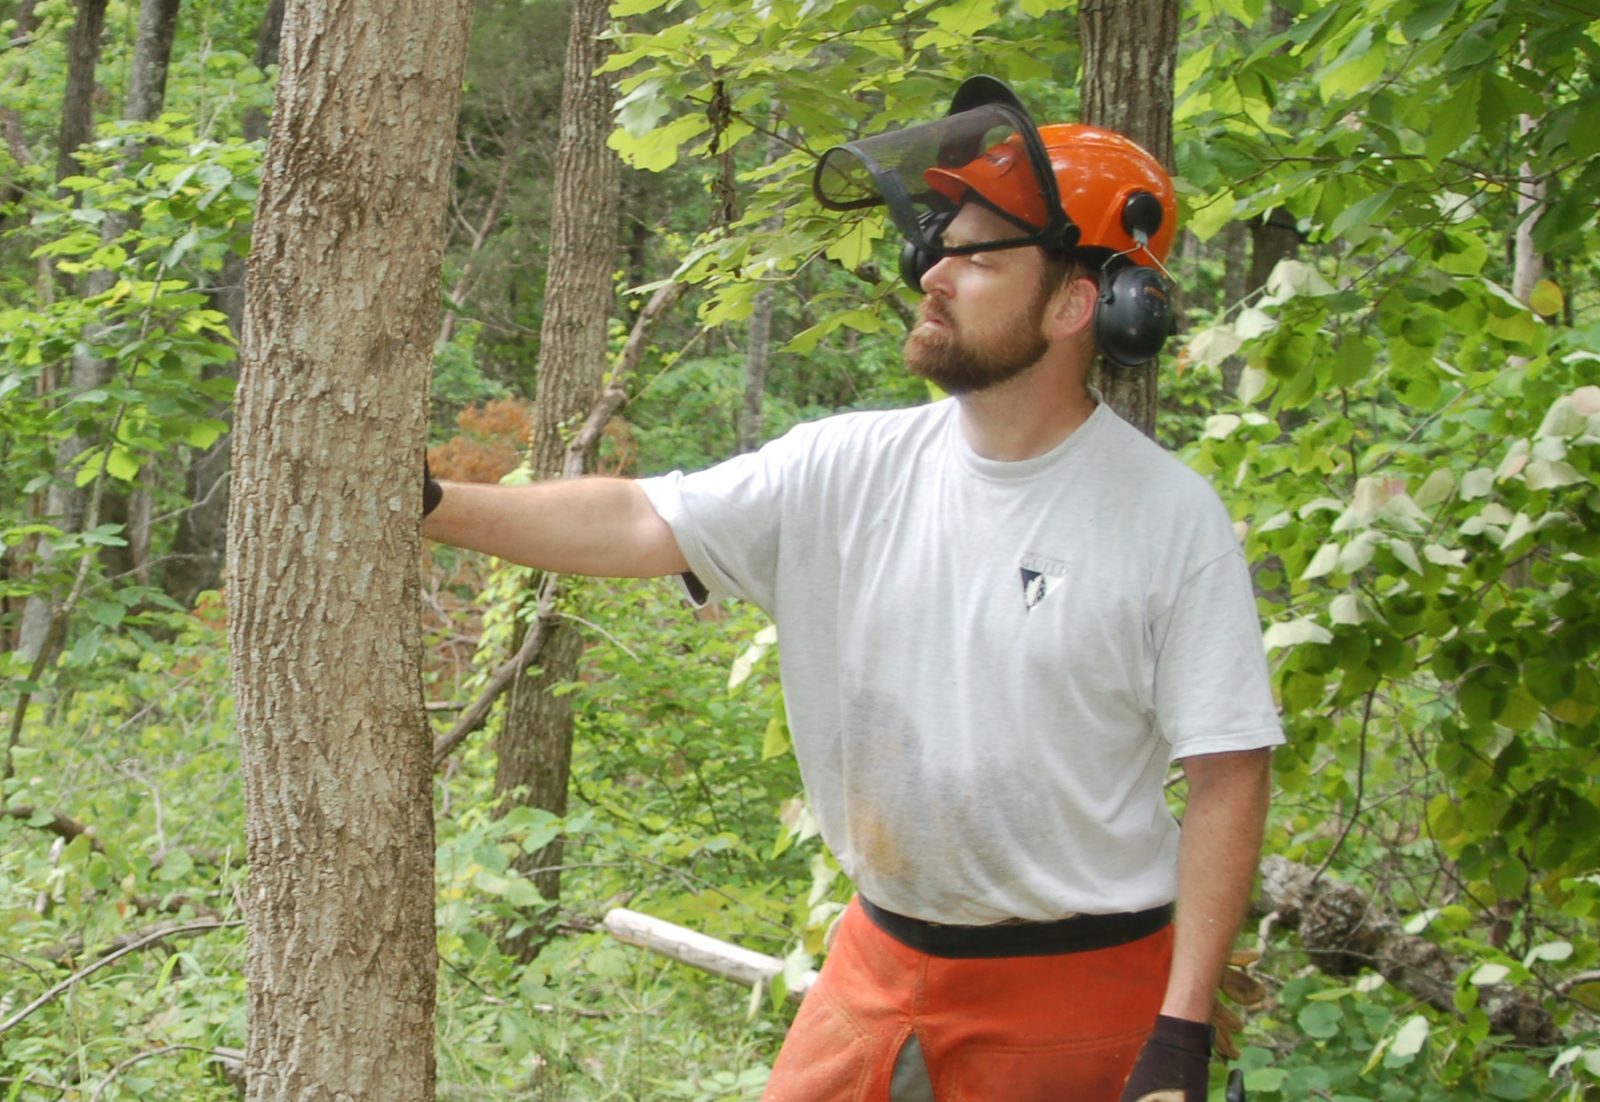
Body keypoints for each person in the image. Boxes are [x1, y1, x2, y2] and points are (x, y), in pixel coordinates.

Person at [421, 78, 1279, 1102]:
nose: (931, 272)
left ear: (1078, 302)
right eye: (936, 246)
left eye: (974, 255)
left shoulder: (1164, 519)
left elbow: (1228, 775)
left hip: (1084, 985)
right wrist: (428, 501)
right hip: (876, 963)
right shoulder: (844, 467)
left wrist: (1179, 1032)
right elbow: (637, 518)